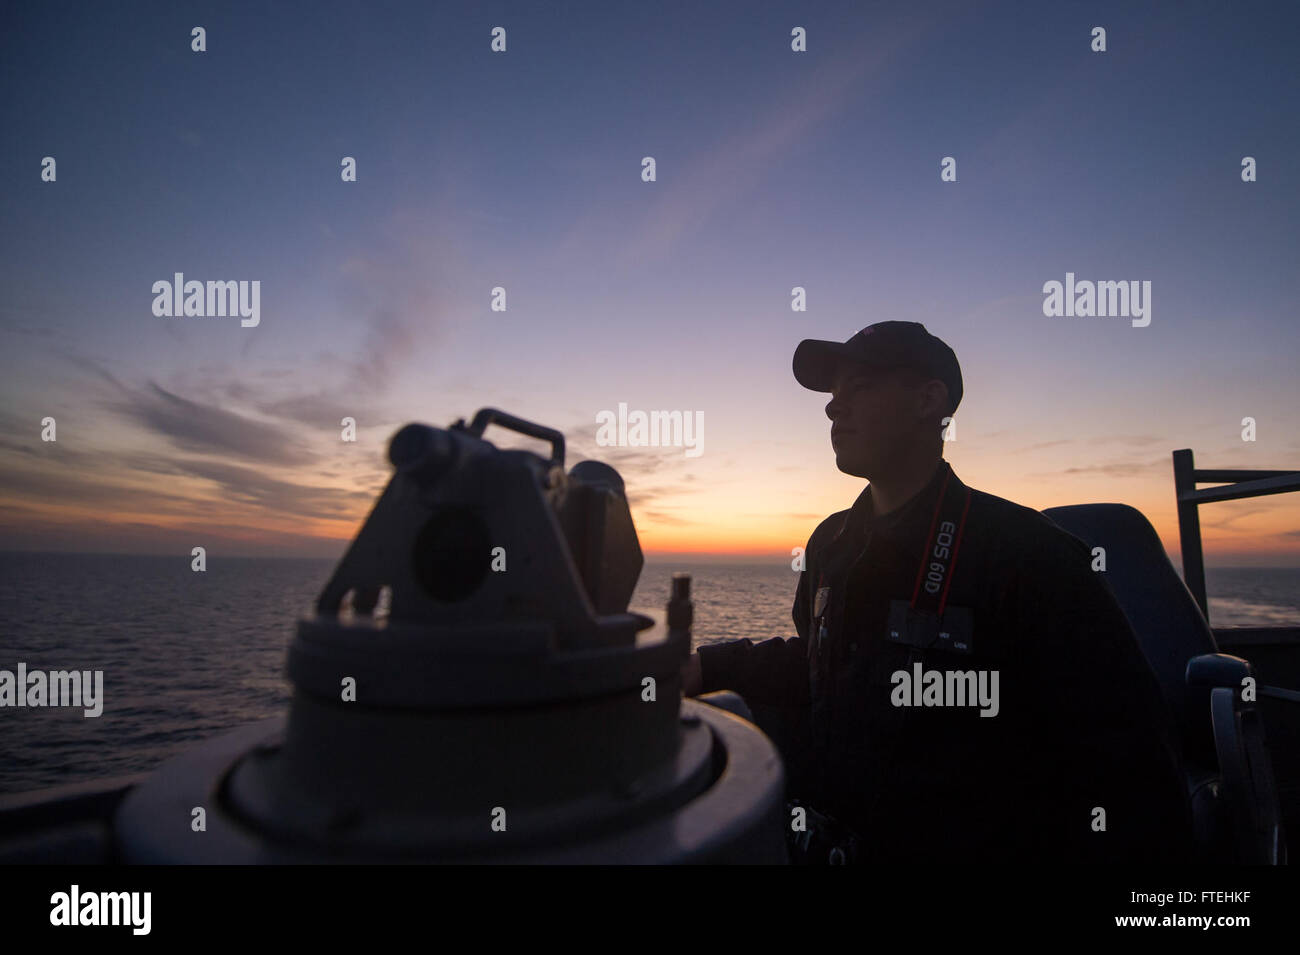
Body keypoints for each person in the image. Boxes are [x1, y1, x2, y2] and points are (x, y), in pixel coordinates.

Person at [680, 321, 1195, 863]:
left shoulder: (1030, 555)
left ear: (929, 400)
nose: (833, 409)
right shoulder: (831, 542)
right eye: (832, 397)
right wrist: (705, 667)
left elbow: (1133, 765)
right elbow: (824, 667)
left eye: (860, 388)